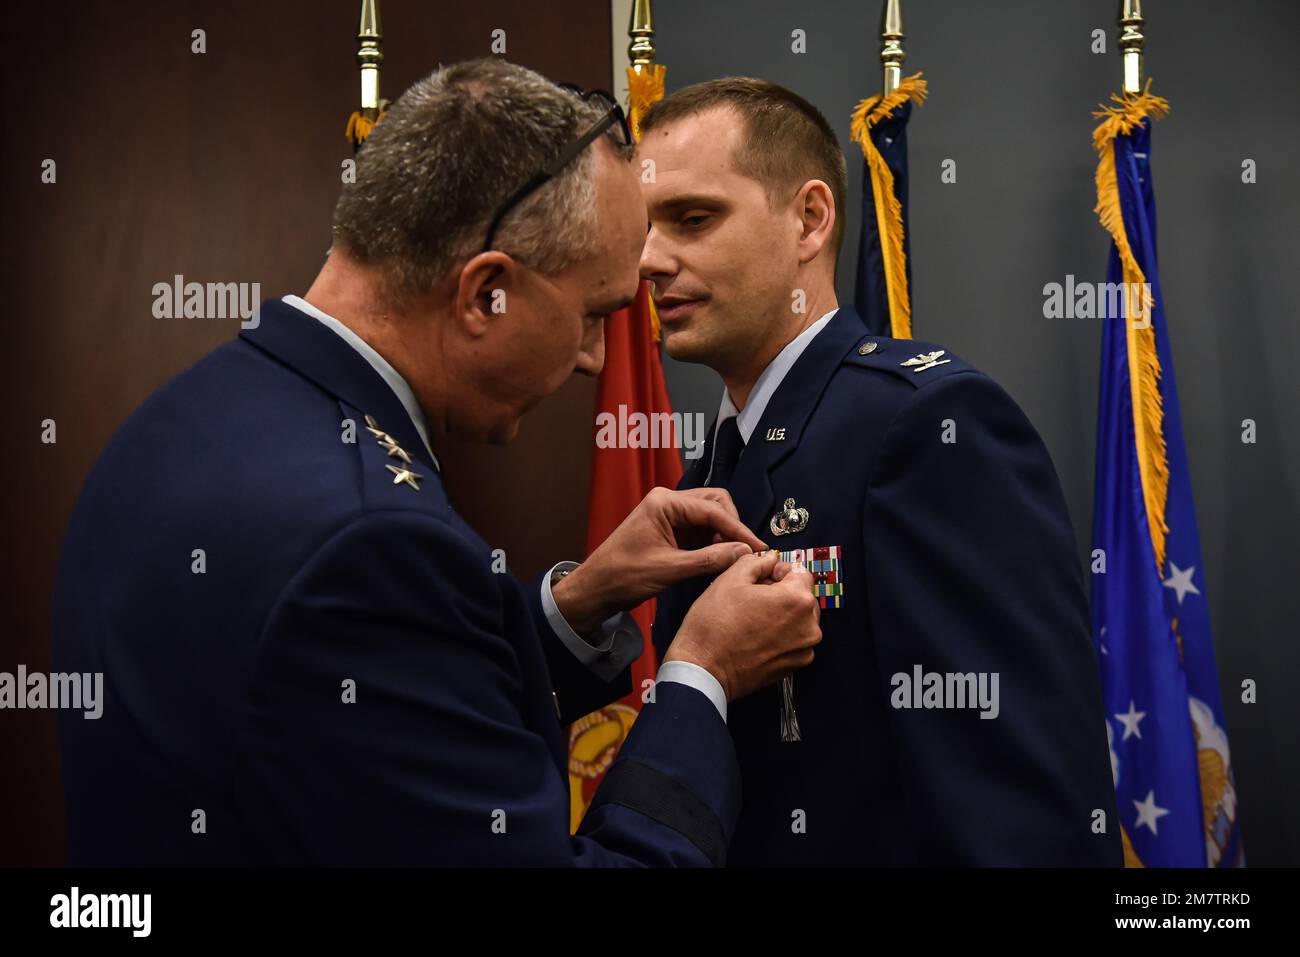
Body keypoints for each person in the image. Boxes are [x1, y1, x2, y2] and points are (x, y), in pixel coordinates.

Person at [52, 60, 822, 867]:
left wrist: (578, 603)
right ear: (483, 291)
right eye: (594, 314)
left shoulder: (193, 415)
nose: (599, 359)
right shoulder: (364, 541)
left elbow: (361, 712)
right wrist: (699, 676)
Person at [638, 77, 1121, 866]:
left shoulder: (927, 425)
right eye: (644, 228)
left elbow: (1026, 815)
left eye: (693, 219)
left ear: (810, 219)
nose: (651, 261)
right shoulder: (707, 473)